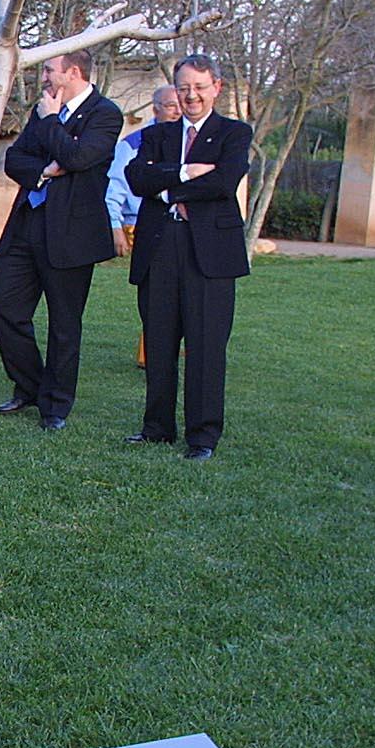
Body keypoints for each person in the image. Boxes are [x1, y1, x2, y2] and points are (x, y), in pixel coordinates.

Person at [124, 54, 253, 461]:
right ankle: (157, 427)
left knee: (205, 345)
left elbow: (223, 181)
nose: (191, 95)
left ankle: (203, 436)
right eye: (183, 88)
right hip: (161, 248)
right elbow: (136, 177)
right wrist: (182, 173)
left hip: (209, 254)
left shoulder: (234, 133)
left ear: (216, 87)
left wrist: (164, 189)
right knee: (159, 342)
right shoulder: (157, 134)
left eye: (199, 87)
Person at [0, 49, 122, 430]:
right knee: (4, 309)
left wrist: (50, 125)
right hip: (27, 225)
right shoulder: (44, 109)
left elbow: (79, 157)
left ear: (72, 72)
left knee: (64, 324)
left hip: (71, 235)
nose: (43, 76)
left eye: (49, 69)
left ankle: (56, 406)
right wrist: (45, 170)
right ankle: (31, 386)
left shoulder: (105, 113)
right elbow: (14, 160)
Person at [107, 84, 182, 369]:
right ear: (156, 109)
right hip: (141, 225)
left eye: (179, 105)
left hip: (177, 224)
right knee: (157, 290)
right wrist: (116, 226)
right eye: (170, 105)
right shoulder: (134, 143)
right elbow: (115, 187)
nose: (177, 111)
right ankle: (150, 353)